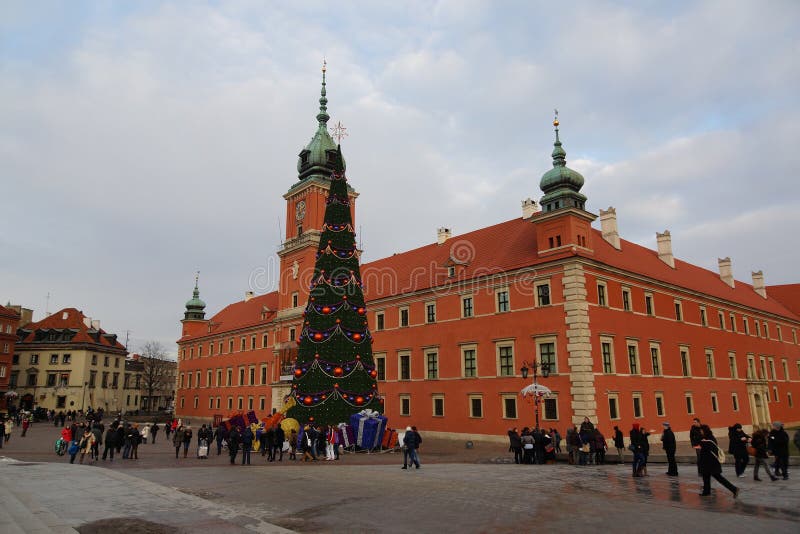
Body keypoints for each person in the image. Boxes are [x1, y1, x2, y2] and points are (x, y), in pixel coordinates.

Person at [698, 424, 738, 498]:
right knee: (705, 477)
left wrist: (703, 443)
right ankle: (706, 491)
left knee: (719, 478)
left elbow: (710, 448)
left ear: (705, 430)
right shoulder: (706, 437)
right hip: (706, 463)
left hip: (712, 462)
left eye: (701, 430)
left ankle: (734, 489)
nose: (700, 432)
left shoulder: (710, 438)